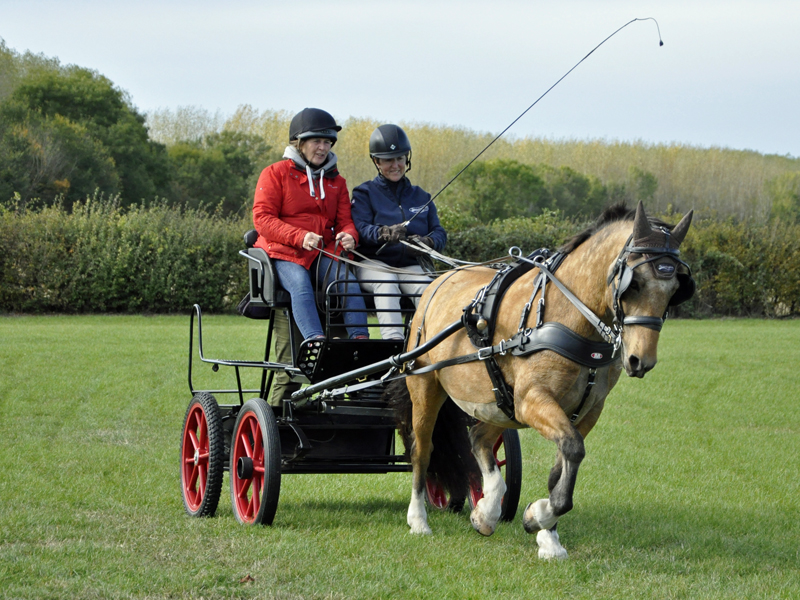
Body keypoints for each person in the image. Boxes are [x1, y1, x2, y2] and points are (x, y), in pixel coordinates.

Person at [252, 107, 369, 371]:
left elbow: (345, 221)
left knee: (346, 281)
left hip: (320, 251)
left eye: (327, 142)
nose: (323, 148)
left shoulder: (337, 182)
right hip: (283, 251)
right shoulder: (274, 173)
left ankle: (360, 343)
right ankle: (316, 344)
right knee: (300, 285)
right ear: (300, 143)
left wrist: (349, 235)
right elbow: (262, 218)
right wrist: (300, 236)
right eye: (317, 141)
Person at [351, 124, 447, 340]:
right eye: (388, 160)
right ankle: (393, 342)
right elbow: (361, 229)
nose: (395, 165)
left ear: (407, 159)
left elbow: (439, 232)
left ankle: (431, 343)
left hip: (410, 266)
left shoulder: (422, 196)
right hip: (373, 263)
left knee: (428, 289)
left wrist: (428, 243)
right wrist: (384, 233)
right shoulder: (364, 193)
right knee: (387, 282)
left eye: (400, 159)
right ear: (377, 162)